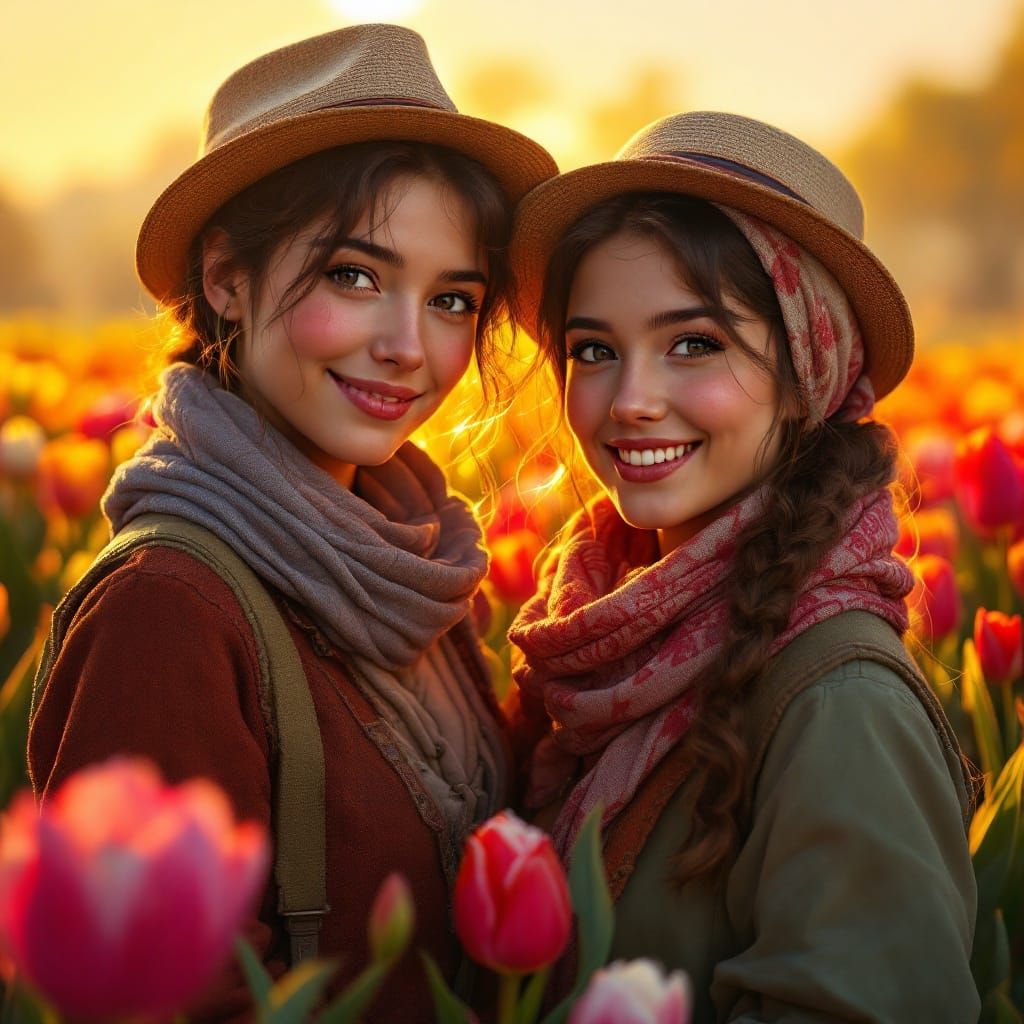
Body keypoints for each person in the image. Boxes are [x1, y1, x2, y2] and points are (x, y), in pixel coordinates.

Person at [28, 24, 556, 1022]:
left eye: (451, 298)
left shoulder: (417, 568)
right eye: (356, 275)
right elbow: (166, 999)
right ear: (225, 275)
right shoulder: (169, 612)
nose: (408, 345)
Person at [505, 111, 979, 1021]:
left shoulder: (840, 708)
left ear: (808, 372)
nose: (631, 401)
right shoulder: (598, 631)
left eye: (694, 344)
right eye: (594, 350)